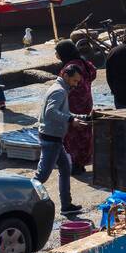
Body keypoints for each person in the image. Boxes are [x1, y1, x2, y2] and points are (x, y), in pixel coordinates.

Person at [35, 64, 86, 214]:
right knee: (41, 177)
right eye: (75, 81)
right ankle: (24, 199)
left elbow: (61, 111)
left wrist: (80, 117)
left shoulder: (60, 88)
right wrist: (71, 120)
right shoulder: (59, 91)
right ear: (65, 76)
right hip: (51, 138)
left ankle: (66, 205)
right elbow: (51, 112)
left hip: (55, 137)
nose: (76, 85)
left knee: (65, 168)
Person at [53, 40, 96, 172]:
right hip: (86, 102)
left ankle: (75, 164)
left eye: (57, 52)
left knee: (73, 134)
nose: (56, 55)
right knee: (85, 132)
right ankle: (82, 162)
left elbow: (62, 85)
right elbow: (93, 73)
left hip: (73, 105)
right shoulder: (84, 63)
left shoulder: (69, 68)